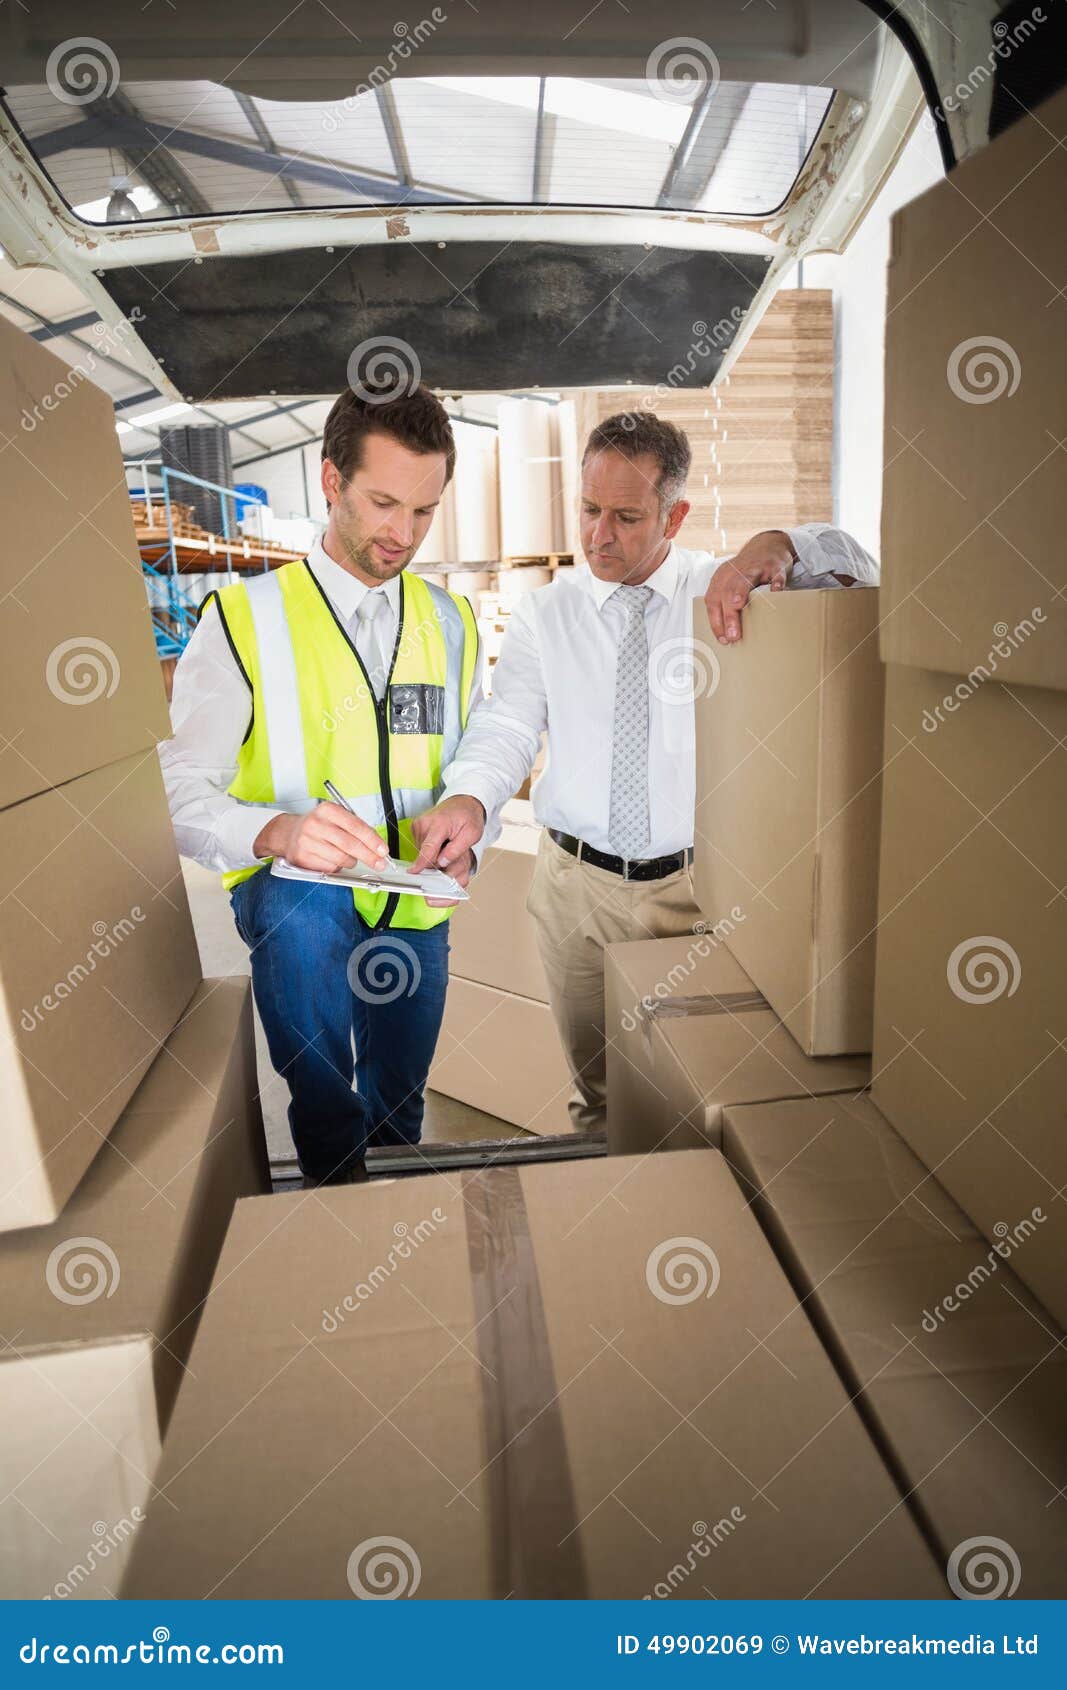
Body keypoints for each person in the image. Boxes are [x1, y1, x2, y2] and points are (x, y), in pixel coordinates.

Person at [411, 411, 878, 1130]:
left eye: (626, 517)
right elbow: (507, 724)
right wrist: (469, 800)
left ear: (675, 515)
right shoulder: (546, 615)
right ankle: (620, 1222)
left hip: (700, 891)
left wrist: (776, 544)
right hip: (575, 895)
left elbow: (857, 565)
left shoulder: (725, 594)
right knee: (599, 1093)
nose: (599, 536)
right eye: (589, 510)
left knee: (702, 1086)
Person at [160, 384, 487, 1186]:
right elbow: (177, 793)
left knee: (401, 1102)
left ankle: (394, 1200)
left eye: (423, 511)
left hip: (413, 900)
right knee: (327, 1097)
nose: (401, 535)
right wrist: (275, 832)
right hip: (298, 900)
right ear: (330, 480)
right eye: (382, 503)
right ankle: (332, 1180)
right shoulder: (242, 618)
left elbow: (475, 760)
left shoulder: (452, 621)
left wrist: (474, 829)